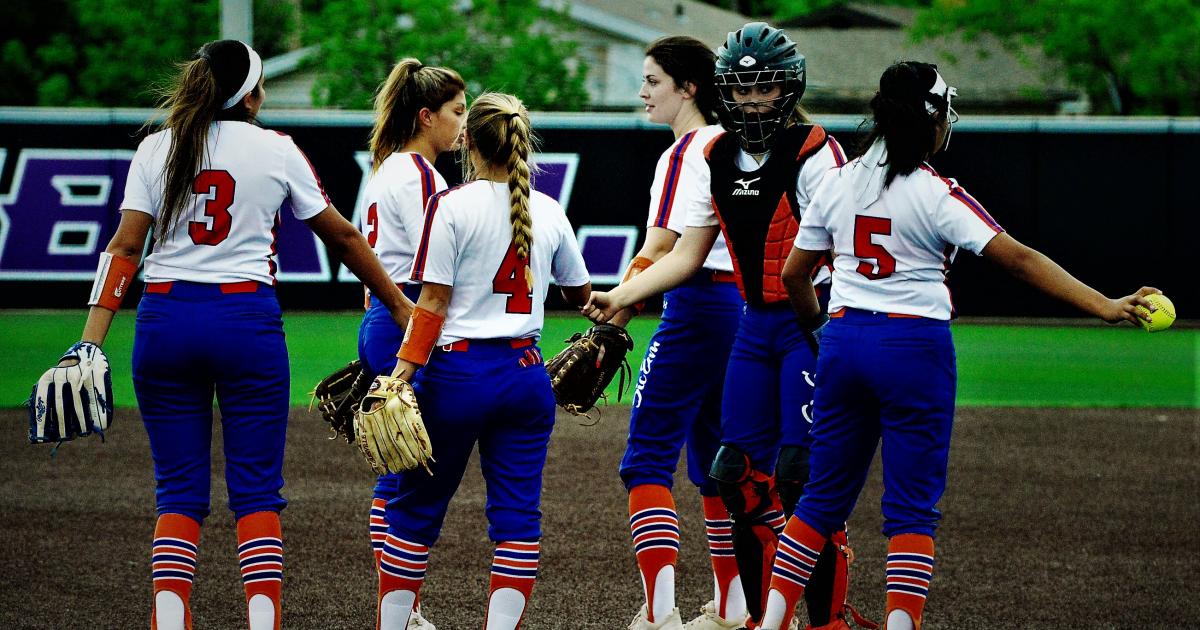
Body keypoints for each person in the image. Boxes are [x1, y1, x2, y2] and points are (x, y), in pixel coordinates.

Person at [757, 61, 1161, 630]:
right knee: (911, 508)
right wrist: (1105, 305)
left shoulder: (836, 182)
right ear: (933, 121)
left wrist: (824, 337)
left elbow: (796, 276)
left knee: (820, 498)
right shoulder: (936, 191)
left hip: (845, 340)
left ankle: (772, 620)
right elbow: (1018, 259)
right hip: (913, 346)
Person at [35, 40, 414, 630]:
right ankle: (262, 621)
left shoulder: (157, 147)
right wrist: (401, 306)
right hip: (245, 323)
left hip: (164, 322)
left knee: (178, 493)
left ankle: (169, 616)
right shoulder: (276, 149)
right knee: (257, 492)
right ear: (253, 94)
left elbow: (125, 249)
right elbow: (342, 237)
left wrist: (90, 341)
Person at [584, 22, 856, 630]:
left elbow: (841, 249)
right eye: (742, 90)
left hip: (782, 320)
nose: (752, 102)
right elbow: (683, 251)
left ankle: (815, 618)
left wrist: (827, 324)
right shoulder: (715, 152)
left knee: (788, 476)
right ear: (721, 91)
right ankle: (752, 612)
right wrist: (621, 296)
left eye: (765, 89)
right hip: (748, 321)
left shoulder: (806, 150)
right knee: (732, 469)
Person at [373, 92, 592, 630]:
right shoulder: (549, 210)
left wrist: (400, 375)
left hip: (456, 376)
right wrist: (613, 312)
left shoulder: (450, 205)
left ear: (468, 141)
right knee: (517, 517)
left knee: (414, 511)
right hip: (525, 376)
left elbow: (432, 303)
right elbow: (581, 294)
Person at [609, 36, 747, 630]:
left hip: (696, 311)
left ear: (689, 87)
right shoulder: (737, 145)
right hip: (744, 311)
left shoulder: (687, 149)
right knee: (720, 459)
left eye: (653, 81)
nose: (643, 92)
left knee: (645, 459)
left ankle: (660, 613)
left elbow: (660, 249)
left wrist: (617, 306)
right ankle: (735, 605)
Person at [354, 58, 466, 630]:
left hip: (381, 316)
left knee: (394, 468)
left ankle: (400, 607)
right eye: (455, 111)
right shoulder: (422, 175)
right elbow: (440, 265)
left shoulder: (385, 169)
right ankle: (400, 611)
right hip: (410, 320)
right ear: (426, 116)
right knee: (413, 476)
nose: (463, 123)